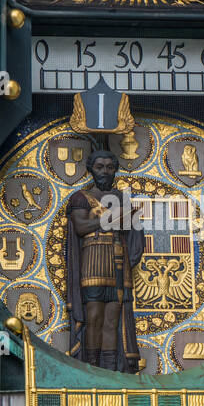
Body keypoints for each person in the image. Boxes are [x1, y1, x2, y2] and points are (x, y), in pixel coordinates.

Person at [65, 150, 145, 372]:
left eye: (110, 167)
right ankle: (92, 367)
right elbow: (81, 227)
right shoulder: (80, 197)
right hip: (93, 261)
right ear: (90, 169)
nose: (105, 172)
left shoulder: (122, 198)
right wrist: (113, 219)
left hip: (118, 260)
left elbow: (134, 230)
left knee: (112, 320)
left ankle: (109, 371)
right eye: (100, 167)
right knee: (94, 317)